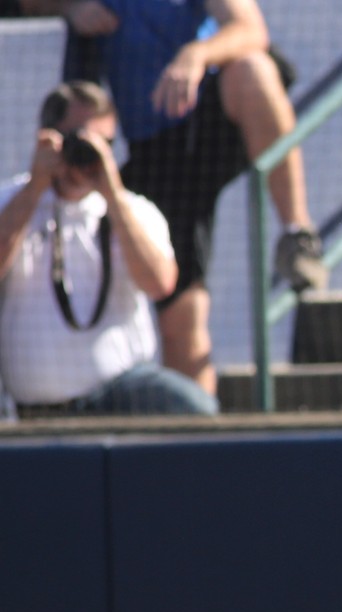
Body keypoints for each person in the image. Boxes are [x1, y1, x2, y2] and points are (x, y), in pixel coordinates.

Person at [21, 0, 327, 397]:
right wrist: (69, 8)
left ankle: (296, 234)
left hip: (206, 121)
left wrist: (195, 54)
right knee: (183, 323)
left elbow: (250, 29)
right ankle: (193, 443)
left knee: (253, 70)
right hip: (155, 153)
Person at [0, 81, 216, 417]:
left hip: (121, 392)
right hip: (37, 406)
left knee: (194, 409)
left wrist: (112, 194)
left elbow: (160, 284)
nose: (88, 154)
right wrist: (35, 188)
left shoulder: (132, 208)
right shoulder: (11, 202)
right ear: (48, 136)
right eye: (79, 140)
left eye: (106, 143)